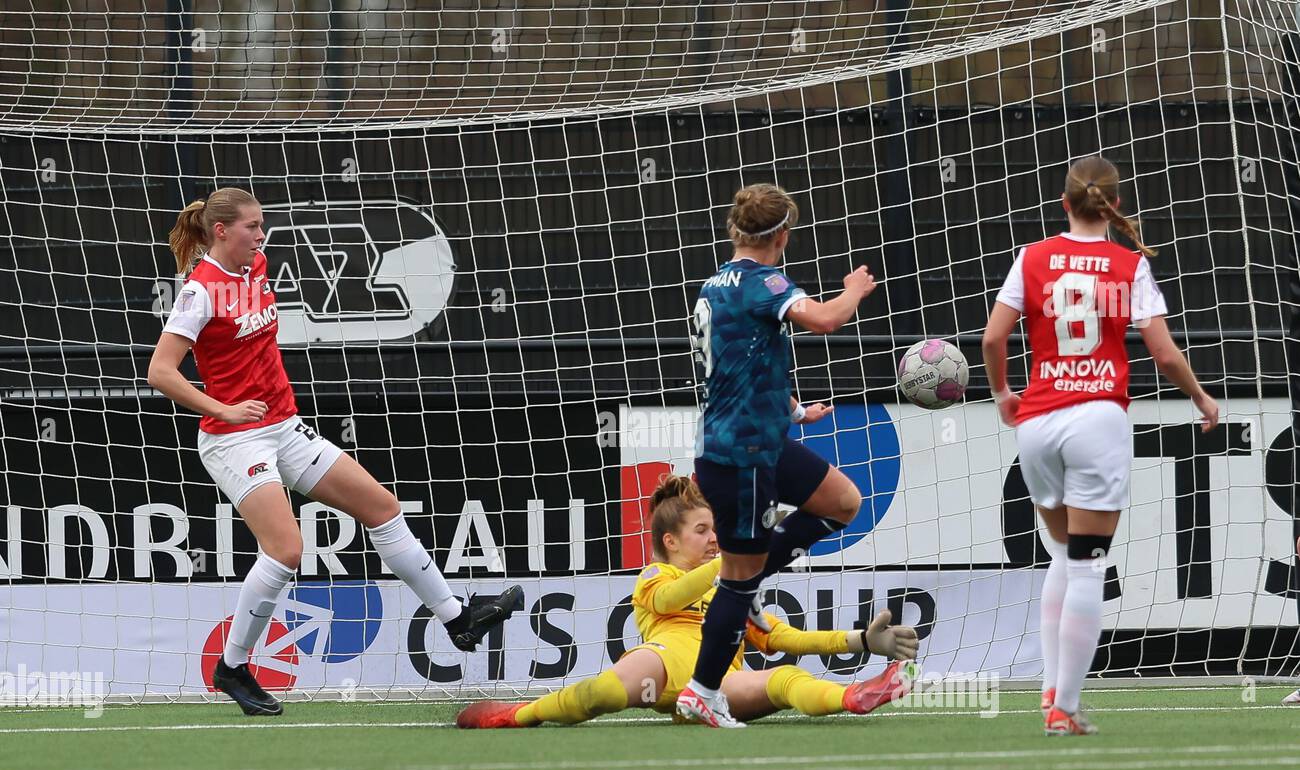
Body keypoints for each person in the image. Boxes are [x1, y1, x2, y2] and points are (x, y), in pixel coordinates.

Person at [149, 188, 523, 715]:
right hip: (233, 437)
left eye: (261, 225)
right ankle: (232, 667)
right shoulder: (199, 291)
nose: (261, 234)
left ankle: (457, 619)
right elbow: (160, 372)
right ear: (221, 232)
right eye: (252, 226)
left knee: (383, 508)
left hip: (284, 426)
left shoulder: (257, 265)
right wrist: (226, 408)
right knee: (286, 550)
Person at [982, 155, 1220, 735]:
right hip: (1097, 418)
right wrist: (1202, 399)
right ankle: (1064, 708)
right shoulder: (1128, 265)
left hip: (1038, 421)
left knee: (1063, 557)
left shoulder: (1032, 257)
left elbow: (993, 337)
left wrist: (1003, 394)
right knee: (1089, 564)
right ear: (1115, 207)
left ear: (1064, 204)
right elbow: (1163, 354)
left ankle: (1050, 694)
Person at [456, 475, 917, 728]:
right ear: (671, 542)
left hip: (713, 688)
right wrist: (731, 561)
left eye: (717, 532)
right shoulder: (657, 575)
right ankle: (519, 715)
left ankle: (854, 696)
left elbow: (782, 636)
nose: (715, 540)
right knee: (602, 693)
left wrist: (860, 640)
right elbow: (672, 597)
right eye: (703, 532)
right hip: (661, 666)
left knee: (785, 678)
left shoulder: (735, 585)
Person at [676, 183, 880, 728]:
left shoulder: (714, 284)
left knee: (843, 501)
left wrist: (792, 412)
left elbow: (740, 365)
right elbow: (826, 320)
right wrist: (855, 290)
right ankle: (701, 690)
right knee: (737, 583)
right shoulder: (764, 281)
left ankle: (756, 573)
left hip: (764, 443)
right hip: (738, 457)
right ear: (782, 235)